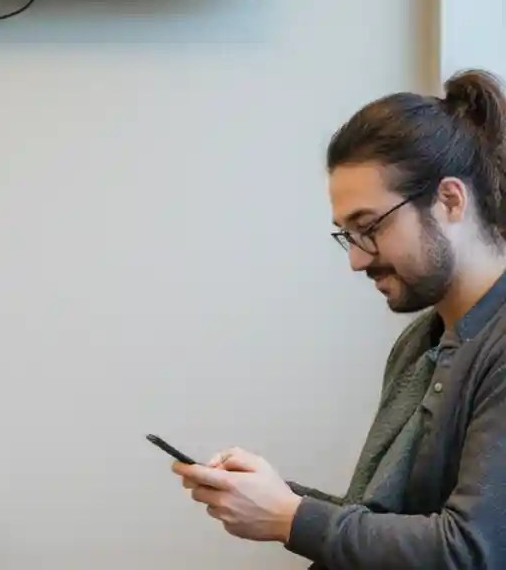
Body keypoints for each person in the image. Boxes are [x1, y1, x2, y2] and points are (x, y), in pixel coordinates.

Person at [173, 69, 506, 568]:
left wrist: (290, 518)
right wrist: (276, 499)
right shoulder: (421, 343)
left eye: (368, 227)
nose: (356, 259)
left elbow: (471, 550)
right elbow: (388, 519)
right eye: (346, 234)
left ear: (449, 201)